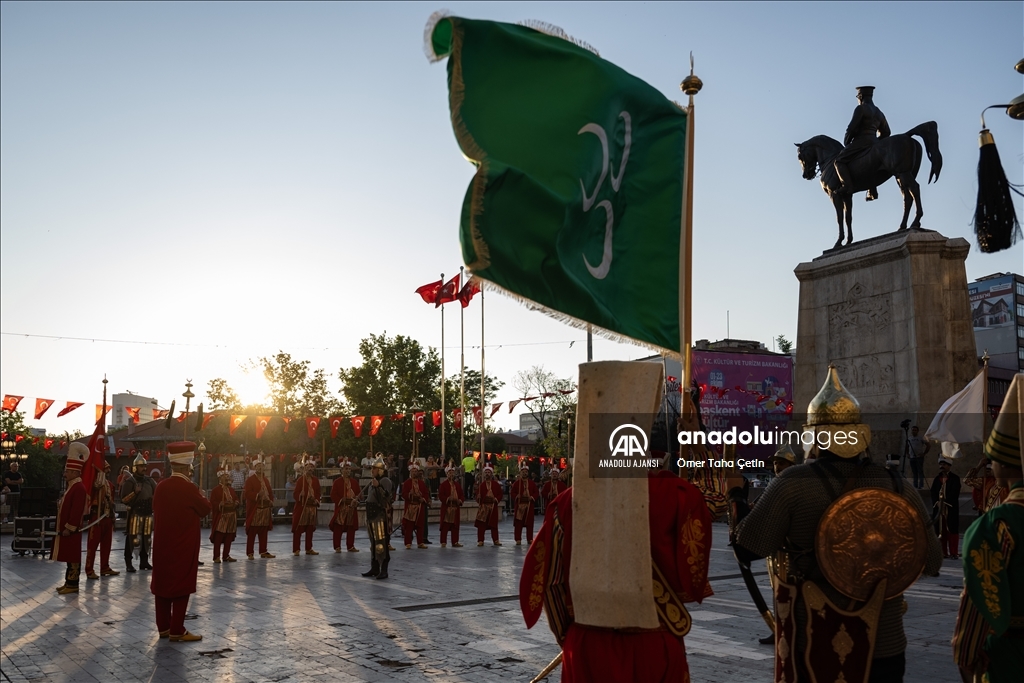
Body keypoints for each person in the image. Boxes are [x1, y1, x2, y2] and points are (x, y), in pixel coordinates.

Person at [735, 366, 941, 683]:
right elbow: (933, 561)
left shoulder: (792, 483)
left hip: (816, 638)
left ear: (814, 436)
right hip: (883, 643)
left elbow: (748, 548)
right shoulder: (897, 484)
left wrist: (735, 502)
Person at [522, 462, 713, 682]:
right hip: (655, 644)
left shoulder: (567, 502)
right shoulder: (678, 493)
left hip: (588, 644)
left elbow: (551, 584)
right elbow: (717, 501)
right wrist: (700, 449)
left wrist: (570, 637)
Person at [952, 373, 1023, 683]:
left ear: (1004, 465)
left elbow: (976, 612)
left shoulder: (995, 528)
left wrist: (967, 657)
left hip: (1011, 659)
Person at [151, 441, 211, 642]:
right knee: (181, 585)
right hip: (182, 543)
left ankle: (164, 627)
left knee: (162, 584)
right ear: (188, 466)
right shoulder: (188, 487)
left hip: (161, 543)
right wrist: (201, 496)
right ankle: (177, 628)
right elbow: (205, 509)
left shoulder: (160, 486)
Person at [833, 85, 890, 199]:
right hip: (874, 141)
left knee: (839, 161)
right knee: (870, 164)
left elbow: (852, 128)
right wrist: (877, 142)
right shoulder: (879, 112)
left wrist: (847, 140)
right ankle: (872, 190)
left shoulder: (861, 109)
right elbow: (887, 132)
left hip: (862, 141)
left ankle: (847, 186)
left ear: (860, 96)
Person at [51, 443, 89, 595]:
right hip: (68, 529)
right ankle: (68, 581)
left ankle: (73, 584)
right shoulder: (72, 486)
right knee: (68, 555)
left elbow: (77, 510)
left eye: (67, 471)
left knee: (73, 556)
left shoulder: (78, 488)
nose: (65, 474)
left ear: (74, 472)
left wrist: (70, 527)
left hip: (72, 530)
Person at [120, 453, 157, 573]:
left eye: (145, 466)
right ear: (135, 467)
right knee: (132, 539)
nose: (144, 468)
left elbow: (157, 493)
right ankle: (128, 563)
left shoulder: (149, 481)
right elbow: (124, 499)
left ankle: (144, 561)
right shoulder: (130, 482)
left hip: (147, 513)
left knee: (147, 539)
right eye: (141, 466)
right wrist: (135, 493)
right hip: (135, 513)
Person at [85, 461, 118, 580]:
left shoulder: (110, 484)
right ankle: (89, 569)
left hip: (107, 516)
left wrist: (113, 517)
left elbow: (112, 501)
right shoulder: (96, 483)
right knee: (92, 546)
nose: (108, 471)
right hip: (96, 517)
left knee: (107, 545)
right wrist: (96, 487)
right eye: (106, 469)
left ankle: (105, 567)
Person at [362, 456, 392, 580]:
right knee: (373, 544)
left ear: (380, 470)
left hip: (380, 516)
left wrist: (378, 486)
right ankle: (374, 568)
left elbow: (386, 498)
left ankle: (384, 569)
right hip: (371, 516)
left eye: (374, 468)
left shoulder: (385, 481)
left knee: (381, 544)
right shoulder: (372, 482)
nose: (372, 470)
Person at [931, 455, 962, 560]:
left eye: (944, 464)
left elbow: (955, 493)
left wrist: (945, 502)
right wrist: (937, 502)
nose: (942, 466)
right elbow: (933, 492)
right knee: (941, 530)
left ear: (949, 465)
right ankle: (943, 552)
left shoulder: (955, 479)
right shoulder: (937, 479)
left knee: (952, 530)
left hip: (950, 508)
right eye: (941, 464)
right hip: (939, 509)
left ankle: (954, 552)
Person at [243, 458, 275, 559]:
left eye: (262, 466)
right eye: (258, 466)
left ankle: (263, 551)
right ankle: (250, 552)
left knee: (263, 531)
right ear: (255, 467)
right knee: (252, 531)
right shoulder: (250, 480)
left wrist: (271, 500)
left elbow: (270, 492)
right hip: (255, 508)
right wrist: (257, 495)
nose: (260, 468)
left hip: (265, 508)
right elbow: (247, 493)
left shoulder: (265, 479)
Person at [209, 467, 239, 563]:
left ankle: (226, 555)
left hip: (231, 515)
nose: (226, 478)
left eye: (227, 476)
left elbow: (235, 498)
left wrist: (236, 502)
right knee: (219, 536)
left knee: (229, 537)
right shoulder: (215, 490)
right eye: (224, 476)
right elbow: (212, 503)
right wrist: (219, 504)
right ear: (220, 478)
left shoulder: (231, 489)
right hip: (222, 516)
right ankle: (216, 556)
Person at [329, 462, 361, 553]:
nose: (347, 471)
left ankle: (350, 546)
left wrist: (356, 499)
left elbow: (359, 494)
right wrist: (340, 499)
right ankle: (337, 546)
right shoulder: (337, 482)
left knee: (351, 527)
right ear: (341, 470)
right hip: (341, 508)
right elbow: (333, 494)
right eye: (345, 469)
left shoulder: (354, 482)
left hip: (351, 507)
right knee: (338, 527)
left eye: (349, 469)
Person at [292, 459, 320, 555]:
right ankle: (296, 549)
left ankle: (309, 548)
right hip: (302, 507)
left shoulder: (315, 480)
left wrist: (317, 499)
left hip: (312, 507)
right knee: (298, 529)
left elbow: (318, 493)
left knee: (310, 529)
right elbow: (295, 493)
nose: (310, 469)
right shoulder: (301, 480)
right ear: (305, 468)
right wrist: (300, 494)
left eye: (312, 467)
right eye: (308, 467)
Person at [401, 463, 431, 549]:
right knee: (409, 526)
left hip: (420, 506)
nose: (414, 473)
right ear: (410, 472)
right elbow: (403, 494)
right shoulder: (407, 483)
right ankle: (408, 543)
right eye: (412, 471)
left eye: (415, 471)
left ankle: (420, 542)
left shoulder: (421, 483)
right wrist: (409, 495)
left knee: (420, 525)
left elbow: (426, 493)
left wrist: (424, 499)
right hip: (410, 506)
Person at [510, 466, 539, 546]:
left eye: (526, 471)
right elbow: (512, 493)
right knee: (518, 523)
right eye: (523, 471)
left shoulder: (531, 483)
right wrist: (516, 496)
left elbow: (536, 492)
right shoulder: (517, 483)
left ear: (528, 473)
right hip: (520, 506)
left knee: (529, 523)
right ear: (520, 473)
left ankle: (529, 538)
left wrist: (532, 497)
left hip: (529, 505)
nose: (524, 473)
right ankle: (518, 539)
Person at [475, 465, 502, 546]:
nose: (487, 474)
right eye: (486, 472)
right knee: (481, 524)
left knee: (494, 524)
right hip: (484, 507)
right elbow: (477, 496)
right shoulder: (481, 485)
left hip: (493, 506)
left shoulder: (496, 485)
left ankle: (496, 540)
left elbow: (500, 494)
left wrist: (496, 499)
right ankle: (480, 540)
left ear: (491, 474)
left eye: (488, 472)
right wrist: (478, 497)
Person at [438, 465, 465, 547]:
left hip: (455, 507)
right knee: (445, 525)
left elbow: (461, 495)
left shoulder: (457, 485)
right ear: (447, 474)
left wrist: (460, 500)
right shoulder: (443, 485)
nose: (451, 474)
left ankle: (455, 541)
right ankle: (443, 542)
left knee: (455, 526)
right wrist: (447, 499)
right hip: (447, 508)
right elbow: (441, 496)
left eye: (452, 472)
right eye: (449, 472)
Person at [907, 425, 930, 489]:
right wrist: (907, 454)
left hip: (919, 457)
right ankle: (915, 485)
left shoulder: (921, 438)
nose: (914, 431)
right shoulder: (909, 438)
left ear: (917, 431)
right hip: (912, 457)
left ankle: (921, 485)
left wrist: (924, 453)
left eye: (915, 430)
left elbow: (928, 445)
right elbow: (907, 446)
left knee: (920, 471)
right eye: (913, 430)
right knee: (914, 472)